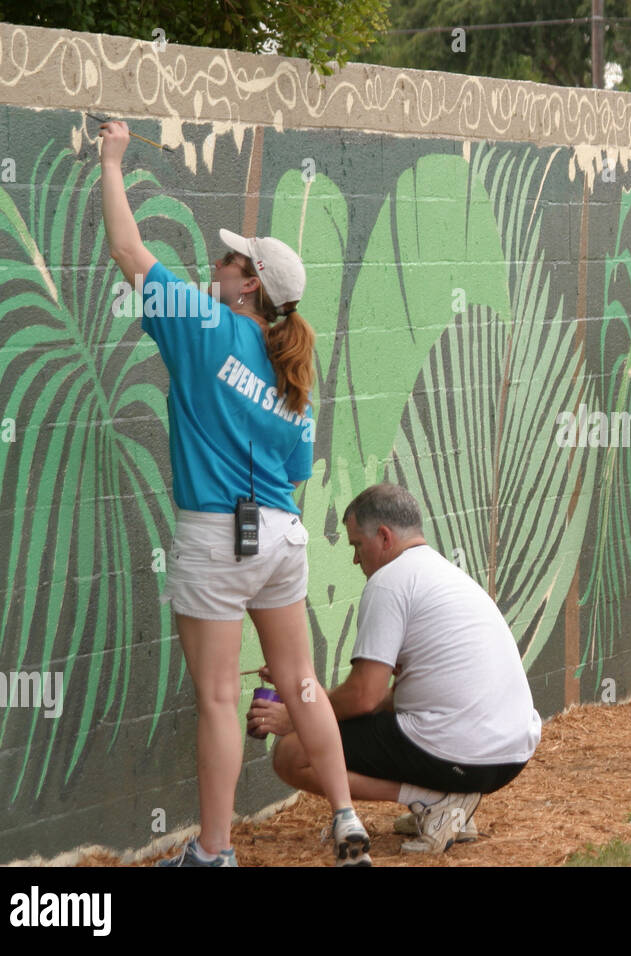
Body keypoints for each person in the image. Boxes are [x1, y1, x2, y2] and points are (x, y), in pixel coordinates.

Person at [99, 120, 370, 867]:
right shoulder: (294, 377)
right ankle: (347, 817)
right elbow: (293, 474)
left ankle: (214, 854)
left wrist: (113, 159)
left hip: (217, 539)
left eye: (228, 259)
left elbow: (128, 252)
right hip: (280, 541)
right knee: (303, 682)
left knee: (220, 699)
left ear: (249, 283)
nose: (215, 263)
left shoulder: (203, 324)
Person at [252, 483, 542, 853]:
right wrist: (304, 695)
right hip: (508, 756)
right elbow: (385, 700)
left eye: (357, 545)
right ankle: (447, 805)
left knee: (294, 754)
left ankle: (434, 802)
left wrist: (297, 717)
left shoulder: (389, 582)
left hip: (466, 755)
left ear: (384, 537)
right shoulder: (443, 574)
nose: (356, 559)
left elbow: (363, 696)